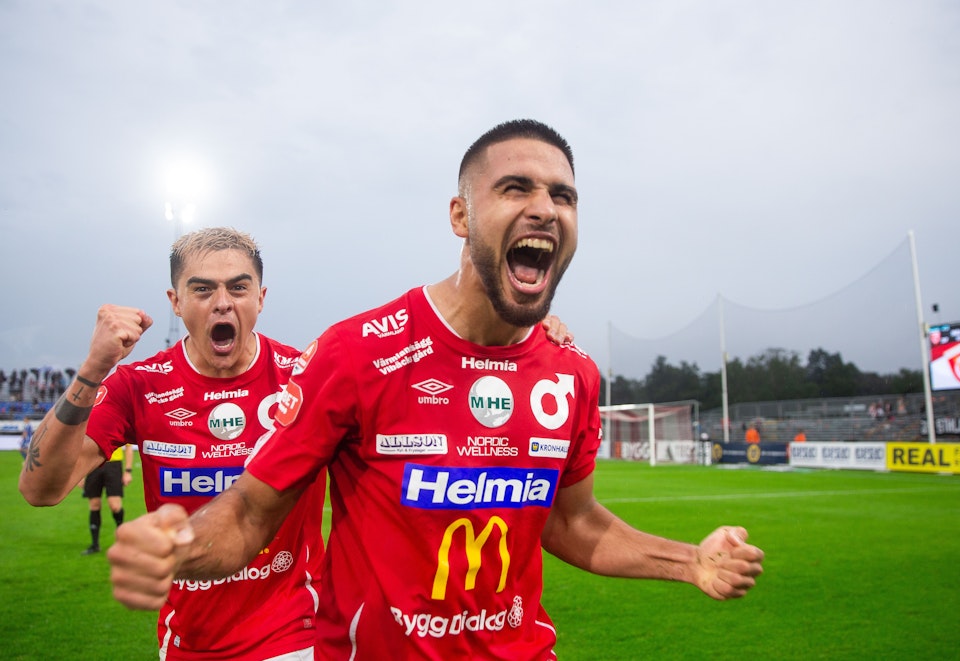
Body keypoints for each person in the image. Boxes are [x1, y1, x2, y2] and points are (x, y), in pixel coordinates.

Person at [108, 120, 764, 659]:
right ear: (460, 214)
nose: (545, 207)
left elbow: (573, 521)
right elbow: (251, 513)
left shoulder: (572, 374)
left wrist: (690, 562)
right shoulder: (359, 352)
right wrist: (176, 546)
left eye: (563, 196)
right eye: (516, 188)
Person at [19, 228, 328, 661]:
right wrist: (94, 368)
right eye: (202, 289)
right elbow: (40, 490)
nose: (222, 302)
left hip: (296, 634)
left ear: (260, 298)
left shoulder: (305, 378)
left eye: (238, 287)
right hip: (187, 639)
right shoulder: (138, 385)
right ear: (175, 302)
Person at [80, 442, 135, 555]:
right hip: (93, 465)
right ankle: (95, 545)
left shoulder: (118, 425)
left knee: (115, 506)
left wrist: (128, 471)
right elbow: (80, 448)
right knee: (94, 504)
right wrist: (79, 474)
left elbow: (129, 447)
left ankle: (122, 541)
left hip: (113, 465)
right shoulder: (87, 424)